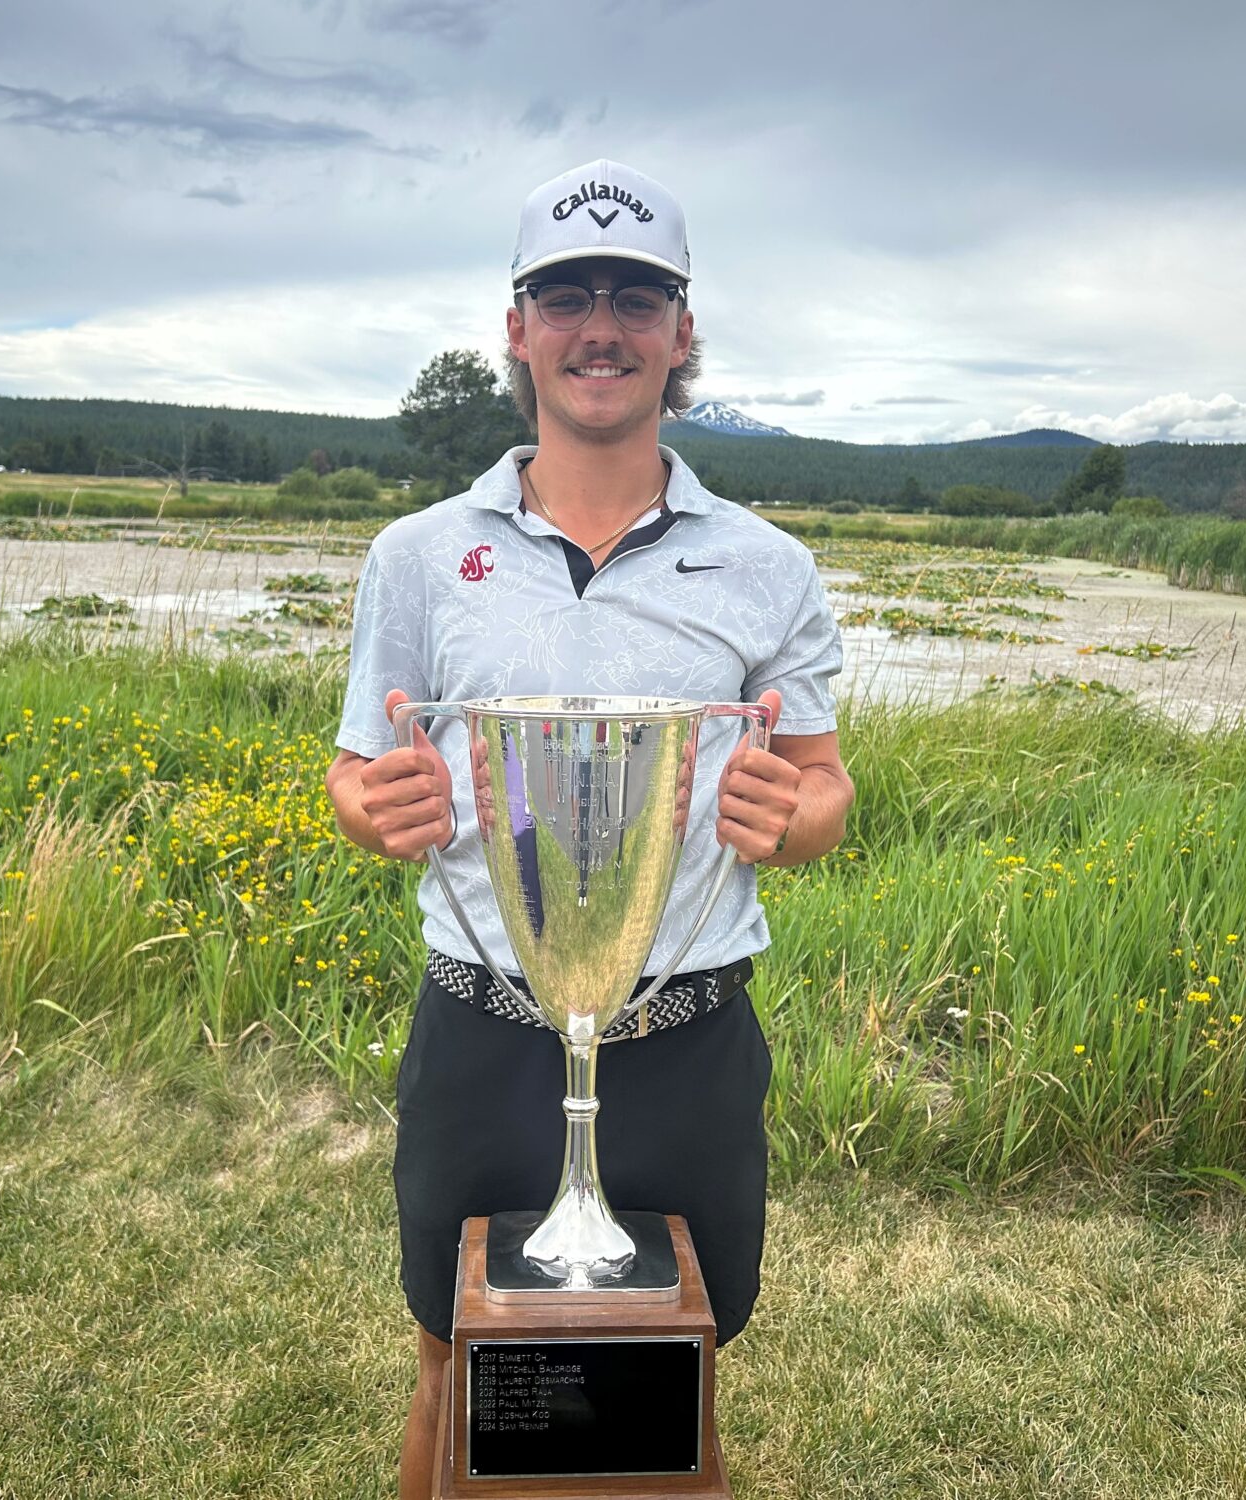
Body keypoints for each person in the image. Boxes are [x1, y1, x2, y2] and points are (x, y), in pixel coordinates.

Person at [324, 159, 853, 1496]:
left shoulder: (769, 566)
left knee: (674, 1379)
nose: (599, 329)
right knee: (454, 1364)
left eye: (635, 299)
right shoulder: (419, 555)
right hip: (483, 1035)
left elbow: (824, 786)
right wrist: (376, 809)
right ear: (517, 327)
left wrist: (789, 815)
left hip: (687, 1040)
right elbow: (356, 773)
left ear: (682, 332)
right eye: (567, 297)